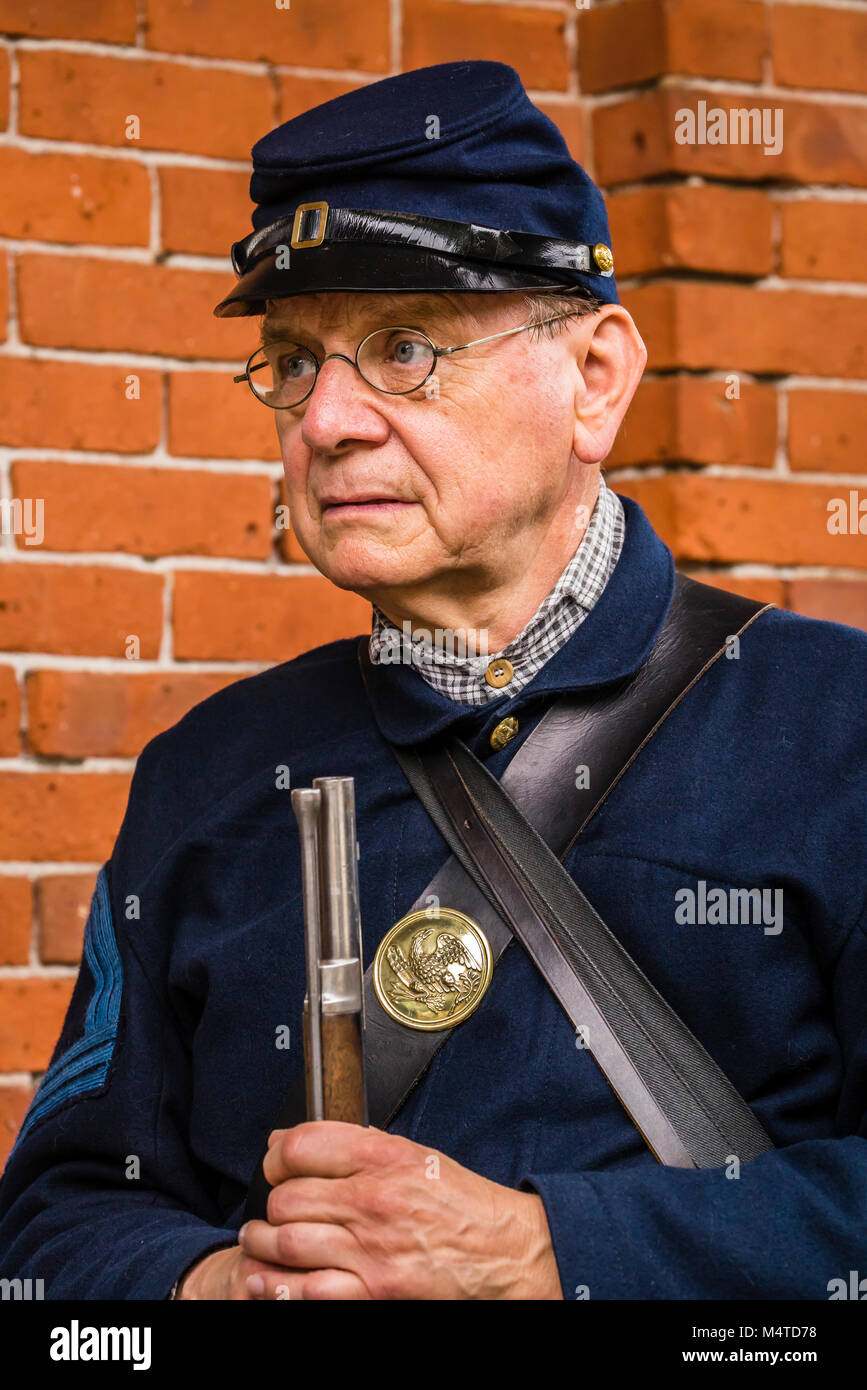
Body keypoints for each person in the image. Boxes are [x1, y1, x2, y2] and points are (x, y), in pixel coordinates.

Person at [0, 61, 864, 1302]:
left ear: (596, 378)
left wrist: (553, 1253)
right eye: (293, 362)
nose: (328, 420)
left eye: (403, 347)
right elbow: (52, 1239)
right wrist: (214, 1289)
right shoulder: (204, 775)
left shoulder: (836, 729)